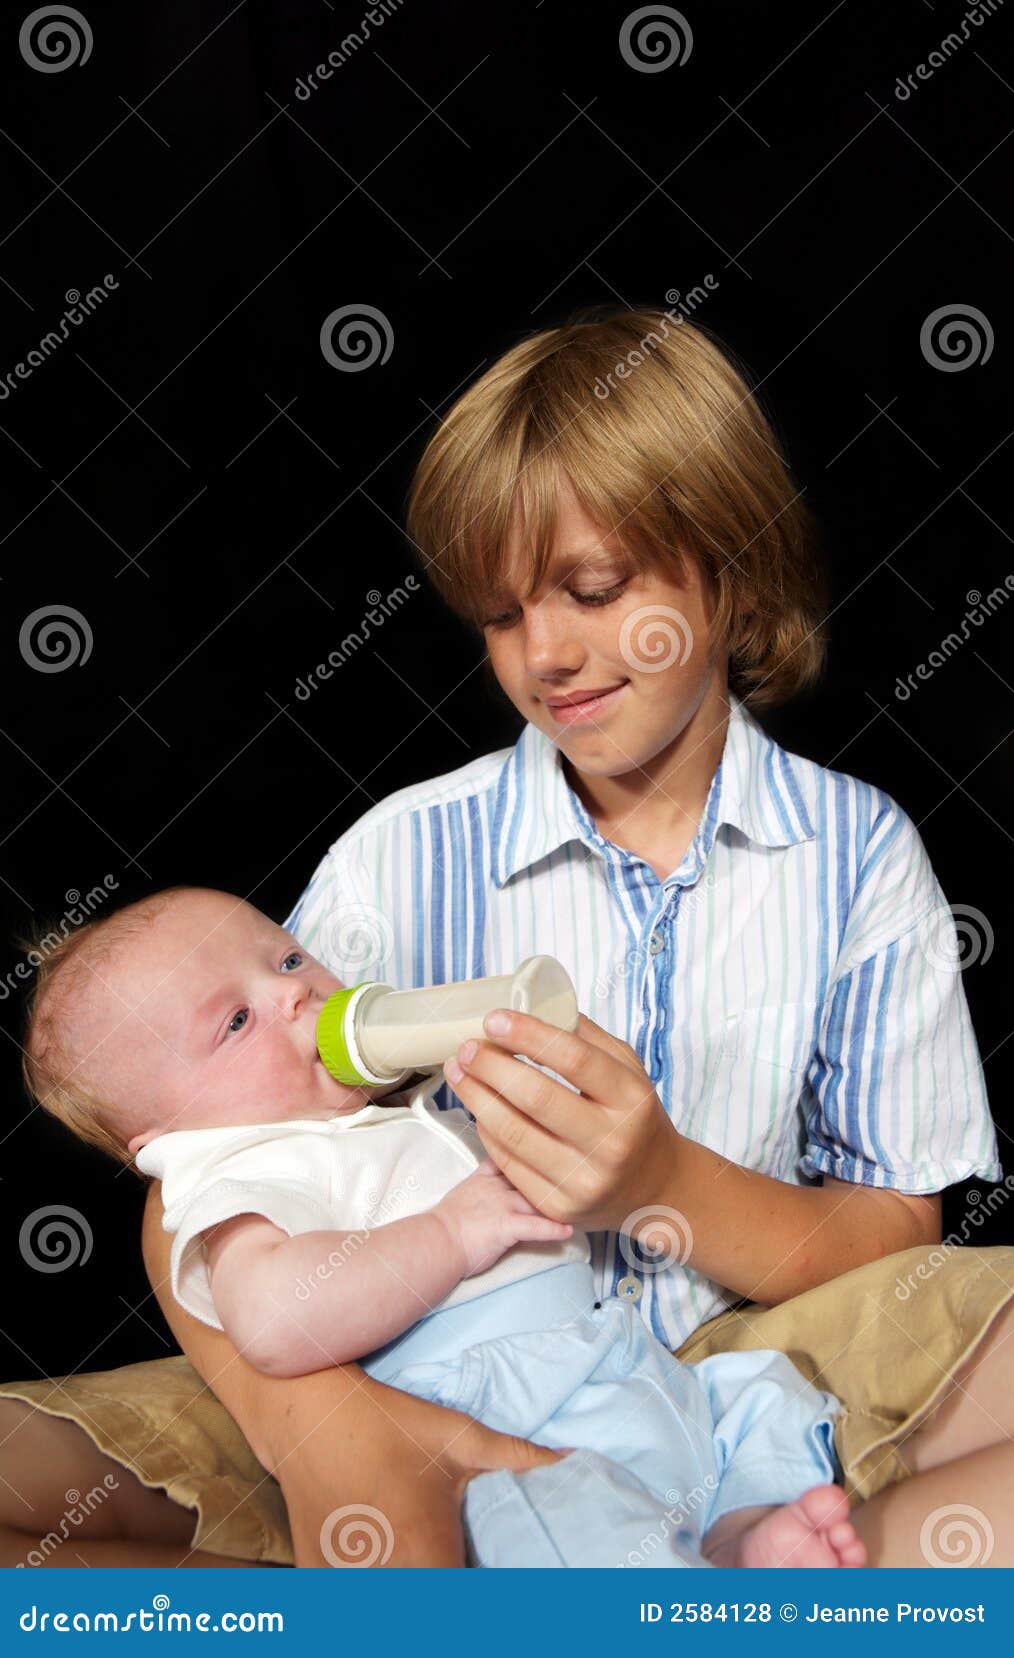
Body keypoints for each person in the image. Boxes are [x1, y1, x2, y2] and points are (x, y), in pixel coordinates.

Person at [8, 306, 1014, 1568]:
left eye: (592, 591)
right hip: (409, 1372)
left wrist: (661, 1185)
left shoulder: (859, 858)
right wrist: (331, 1432)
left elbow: (892, 1233)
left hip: (742, 1362)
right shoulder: (405, 857)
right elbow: (202, 1171)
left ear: (731, 568)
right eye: (498, 612)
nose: (546, 654)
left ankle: (707, 1562)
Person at [20, 884, 865, 1569]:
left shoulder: (403, 1111)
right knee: (551, 1519)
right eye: (235, 1020)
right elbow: (275, 1321)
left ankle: (741, 1536)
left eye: (285, 955)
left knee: (762, 1392)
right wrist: (448, 1238)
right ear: (168, 1142)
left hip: (625, 1369)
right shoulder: (238, 1179)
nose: (294, 991)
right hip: (506, 1413)